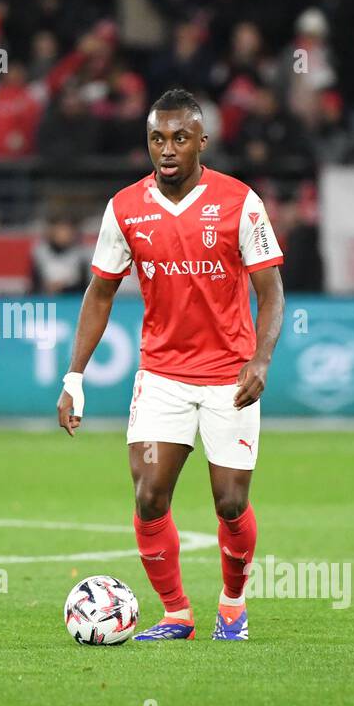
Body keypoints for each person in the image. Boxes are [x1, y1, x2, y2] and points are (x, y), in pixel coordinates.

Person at [56, 88, 285, 642]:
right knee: (148, 494)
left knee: (230, 503)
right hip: (160, 376)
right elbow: (100, 294)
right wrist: (74, 377)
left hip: (229, 376)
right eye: (157, 138)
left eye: (180, 138)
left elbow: (272, 292)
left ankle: (232, 604)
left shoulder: (239, 202)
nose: (167, 148)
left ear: (201, 142)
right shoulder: (125, 208)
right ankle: (177, 613)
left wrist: (260, 359)